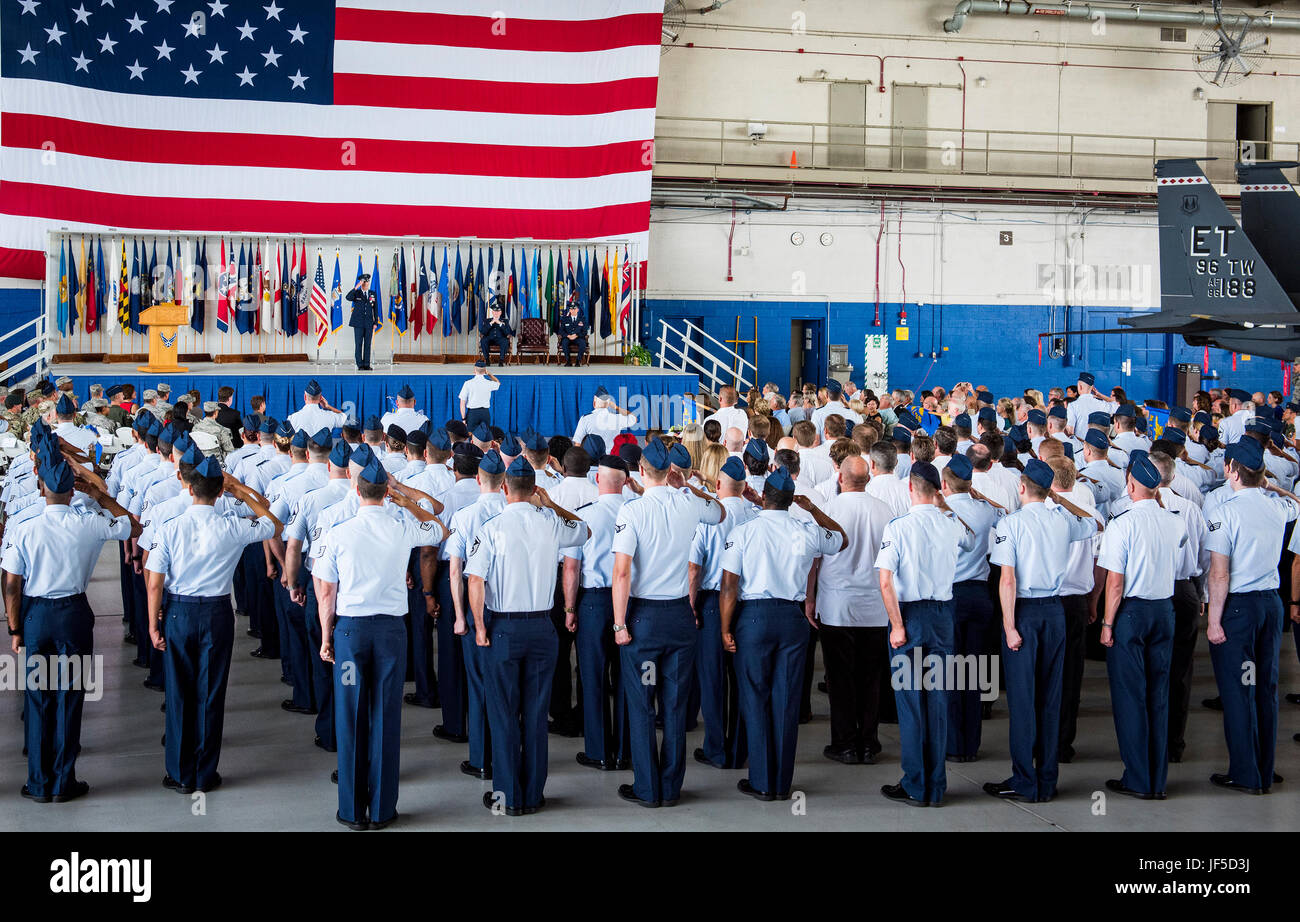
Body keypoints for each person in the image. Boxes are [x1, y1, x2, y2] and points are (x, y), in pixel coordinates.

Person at [314, 458, 448, 829]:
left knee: (350, 715)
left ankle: (352, 811)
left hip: (350, 634)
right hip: (391, 633)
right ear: (385, 492)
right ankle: (383, 809)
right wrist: (404, 499)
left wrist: (327, 636)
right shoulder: (402, 528)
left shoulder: (338, 533)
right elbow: (438, 529)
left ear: (356, 490)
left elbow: (326, 592)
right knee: (386, 718)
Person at [3, 455, 138, 803]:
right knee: (70, 696)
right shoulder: (89, 521)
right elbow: (132, 526)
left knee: (38, 698)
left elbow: (12, 586)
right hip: (74, 614)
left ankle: (38, 782)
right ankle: (64, 782)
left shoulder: (24, 527)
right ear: (72, 489)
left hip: (36, 616)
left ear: (41, 487)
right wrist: (98, 495)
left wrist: (15, 630)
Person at [145, 458, 282, 795]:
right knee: (211, 692)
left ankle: (179, 772)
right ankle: (204, 772)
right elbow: (273, 524)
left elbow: (154, 583)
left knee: (180, 692)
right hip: (218, 612)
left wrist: (152, 624)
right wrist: (241, 491)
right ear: (221, 491)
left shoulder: (171, 527)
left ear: (189, 489)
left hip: (179, 611)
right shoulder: (231, 525)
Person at [466, 455, 589, 815]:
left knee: (503, 713)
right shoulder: (551, 521)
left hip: (504, 626)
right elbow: (585, 530)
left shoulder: (491, 527)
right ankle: (533, 794)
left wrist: (479, 625)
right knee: (535, 714)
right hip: (541, 626)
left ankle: (507, 796)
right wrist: (551, 504)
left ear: (504, 488)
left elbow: (476, 580)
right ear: (535, 489)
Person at [720, 467, 846, 801]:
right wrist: (814, 509)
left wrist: (724, 628)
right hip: (792, 619)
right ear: (792, 501)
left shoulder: (744, 531)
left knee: (756, 698)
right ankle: (781, 782)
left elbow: (729, 585)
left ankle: (761, 781)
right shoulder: (806, 529)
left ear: (763, 497)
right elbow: (841, 539)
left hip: (755, 619)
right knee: (787, 700)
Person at [612, 437, 725, 807]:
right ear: (671, 472)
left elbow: (622, 572)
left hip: (644, 620)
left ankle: (648, 787)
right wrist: (687, 485)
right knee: (675, 706)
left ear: (641, 472)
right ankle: (671, 786)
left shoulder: (633, 511)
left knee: (643, 703)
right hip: (679, 617)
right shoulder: (688, 503)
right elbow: (720, 512)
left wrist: (618, 623)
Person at [984, 459, 1100, 803]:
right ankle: (1047, 779)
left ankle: (1024, 780)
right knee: (1051, 698)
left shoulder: (1011, 523)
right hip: (1055, 610)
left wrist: (1008, 626)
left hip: (1025, 612)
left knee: (1023, 701)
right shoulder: (1062, 521)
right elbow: (1092, 523)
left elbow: (1008, 578)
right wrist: (1060, 500)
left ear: (1022, 488)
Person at [875, 461, 978, 807]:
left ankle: (915, 784)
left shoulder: (899, 527)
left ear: (909, 490)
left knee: (910, 702)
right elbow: (971, 538)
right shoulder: (949, 524)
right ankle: (936, 785)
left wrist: (898, 626)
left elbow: (885, 580)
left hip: (912, 617)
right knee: (937, 701)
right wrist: (944, 505)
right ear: (937, 491)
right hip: (943, 616)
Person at [1206, 438, 1298, 794]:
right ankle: (1264, 766)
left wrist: (1214, 621)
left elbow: (1219, 574)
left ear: (1231, 470)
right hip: (1270, 607)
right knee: (1265, 688)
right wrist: (1271, 487)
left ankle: (1246, 773)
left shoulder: (1224, 512)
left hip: (1239, 610)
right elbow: (1298, 504)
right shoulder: (1276, 507)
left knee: (1239, 689)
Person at [1096, 453, 1185, 800]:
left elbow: (1115, 584)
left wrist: (1106, 624)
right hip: (1164, 610)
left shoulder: (1122, 523)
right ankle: (1157, 778)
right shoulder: (1174, 521)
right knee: (1158, 696)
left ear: (1131, 484)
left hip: (1131, 614)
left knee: (1131, 697)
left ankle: (1138, 777)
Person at [688, 456, 759, 770]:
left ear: (718, 485)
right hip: (748, 603)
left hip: (713, 602)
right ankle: (740, 748)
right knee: (743, 679)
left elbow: (694, 568)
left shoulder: (709, 517)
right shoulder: (757, 514)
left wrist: (691, 604)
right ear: (744, 487)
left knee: (712, 678)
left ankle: (716, 748)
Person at [939, 454, 1005, 763]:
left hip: (949, 595)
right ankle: (971, 744)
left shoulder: (943, 512)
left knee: (950, 673)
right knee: (975, 672)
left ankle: (953, 743)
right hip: (979, 595)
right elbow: (1007, 515)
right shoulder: (984, 509)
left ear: (944, 484)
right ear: (971, 484)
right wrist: (981, 497)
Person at [572, 387, 638, 454]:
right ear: (608, 405)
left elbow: (578, 444)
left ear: (594, 403)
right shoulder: (617, 419)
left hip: (591, 459)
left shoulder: (585, 419)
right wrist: (616, 408)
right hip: (612, 460)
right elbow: (634, 418)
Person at [346, 273, 379, 371]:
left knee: (368, 344)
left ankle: (367, 364)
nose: (366, 283)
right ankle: (360, 364)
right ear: (361, 283)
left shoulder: (373, 293)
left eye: (367, 281)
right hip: (358, 323)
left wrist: (375, 322)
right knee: (359, 343)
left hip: (369, 322)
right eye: (364, 282)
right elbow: (348, 298)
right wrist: (356, 287)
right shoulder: (357, 293)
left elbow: (375, 309)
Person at [459, 361, 500, 432]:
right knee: (485, 436)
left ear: (474, 370)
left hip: (472, 413)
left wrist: (463, 419)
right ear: (485, 371)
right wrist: (489, 374)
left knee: (471, 435)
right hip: (485, 413)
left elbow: (462, 403)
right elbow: (498, 383)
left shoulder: (468, 383)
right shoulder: (488, 383)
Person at [478, 301, 514, 366]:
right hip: (490, 339)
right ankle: (487, 359)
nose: (496, 313)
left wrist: (500, 324)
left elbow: (508, 333)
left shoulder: (505, 321)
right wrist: (491, 323)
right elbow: (482, 332)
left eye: (498, 311)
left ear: (500, 312)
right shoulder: (487, 321)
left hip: (500, 339)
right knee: (483, 340)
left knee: (505, 341)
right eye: (494, 311)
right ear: (492, 312)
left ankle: (501, 360)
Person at [559, 300, 588, 366]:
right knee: (564, 343)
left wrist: (576, 335)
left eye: (574, 309)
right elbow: (561, 331)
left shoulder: (582, 319)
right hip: (568, 337)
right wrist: (568, 335)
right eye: (571, 309)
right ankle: (568, 361)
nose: (573, 310)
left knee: (583, 343)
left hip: (578, 337)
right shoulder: (564, 319)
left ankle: (578, 361)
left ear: (578, 310)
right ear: (569, 310)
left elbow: (584, 331)